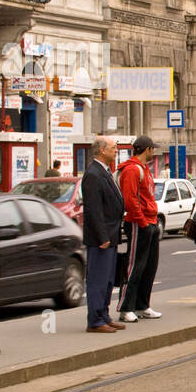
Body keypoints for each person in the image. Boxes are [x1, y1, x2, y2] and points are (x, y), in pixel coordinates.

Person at [80, 135, 127, 334]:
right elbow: (93, 210)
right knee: (98, 280)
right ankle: (95, 320)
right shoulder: (93, 174)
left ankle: (104, 315)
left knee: (108, 279)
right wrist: (102, 237)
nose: (116, 150)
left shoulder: (105, 172)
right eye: (113, 147)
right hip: (102, 238)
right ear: (102, 150)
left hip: (112, 234)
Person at [117, 135, 162, 322]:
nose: (154, 152)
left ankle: (142, 305)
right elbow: (130, 200)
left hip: (150, 221)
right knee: (134, 266)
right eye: (153, 149)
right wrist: (142, 221)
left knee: (149, 267)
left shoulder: (144, 169)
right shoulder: (132, 170)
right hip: (138, 223)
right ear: (147, 150)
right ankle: (125, 307)